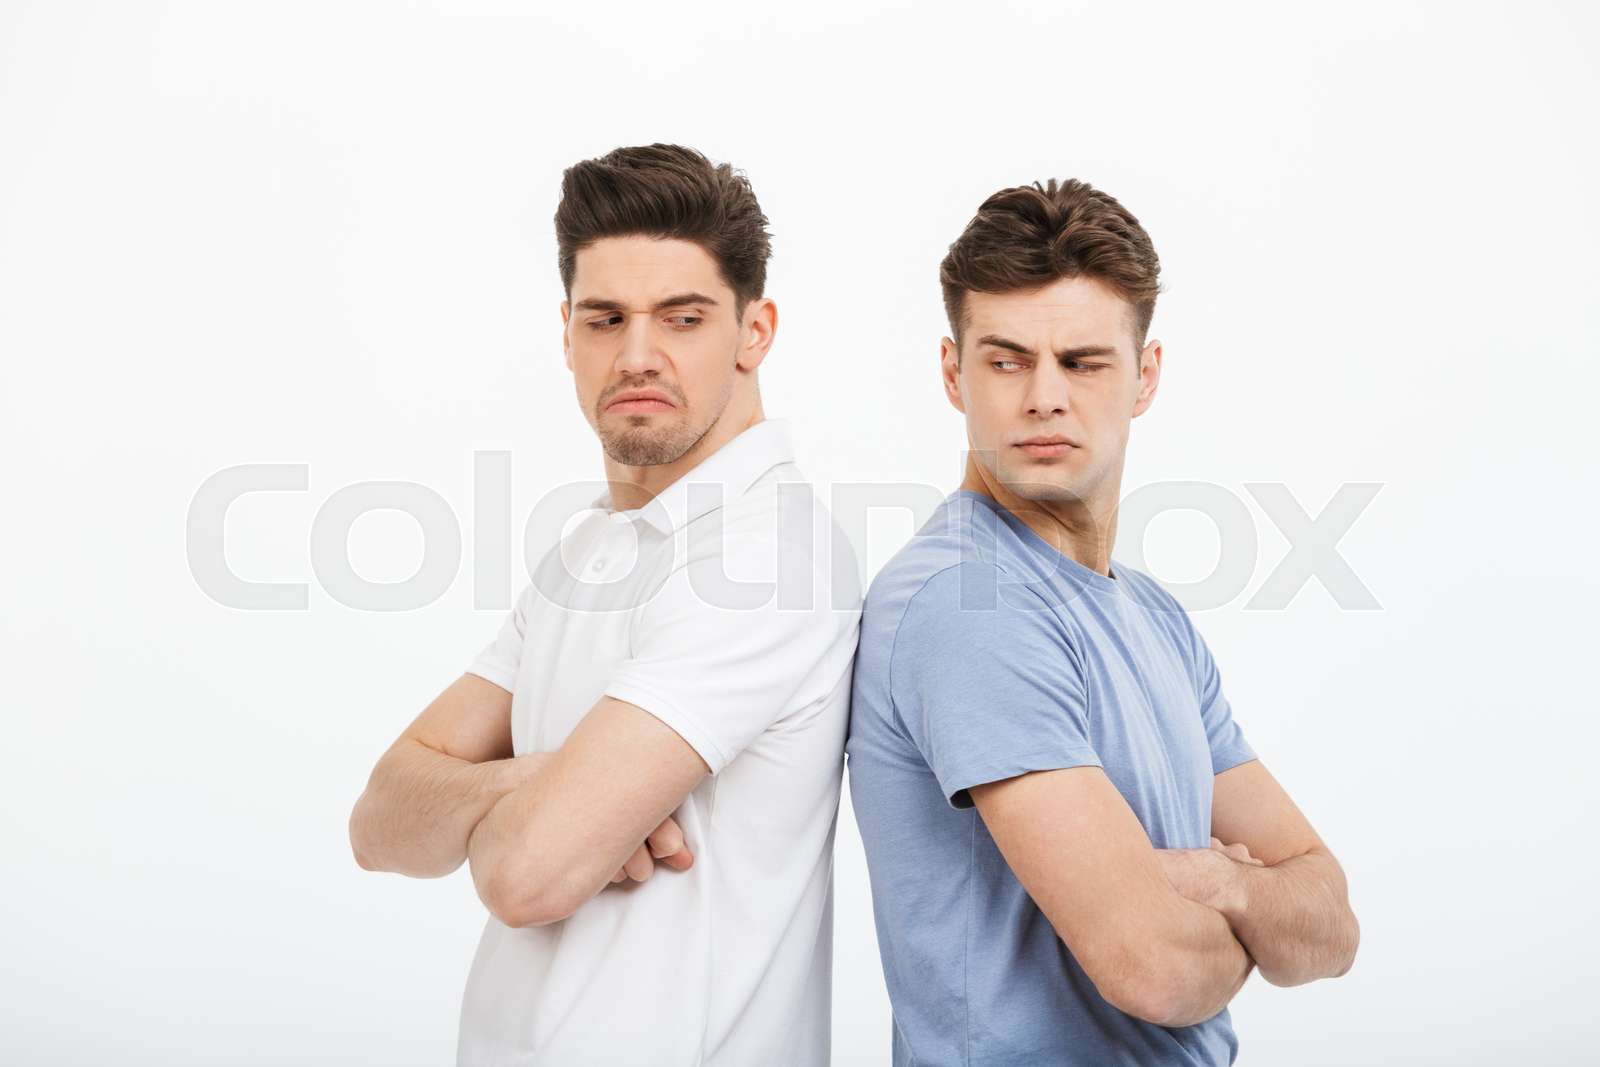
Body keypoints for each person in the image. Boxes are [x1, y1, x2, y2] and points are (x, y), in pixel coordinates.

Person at [348, 144, 862, 1067]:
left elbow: (525, 875)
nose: (635, 354)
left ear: (755, 331)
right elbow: (379, 821)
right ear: (567, 333)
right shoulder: (586, 546)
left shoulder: (766, 556)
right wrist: (533, 783)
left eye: (682, 317)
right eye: (605, 318)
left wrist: (519, 815)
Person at [845, 177, 1360, 1065]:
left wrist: (1215, 882)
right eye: (1006, 359)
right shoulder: (969, 605)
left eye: (1082, 361)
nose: (1044, 396)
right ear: (951, 372)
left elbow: (1332, 923)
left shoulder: (1153, 615)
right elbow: (1154, 968)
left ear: (1145, 375)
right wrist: (1252, 905)